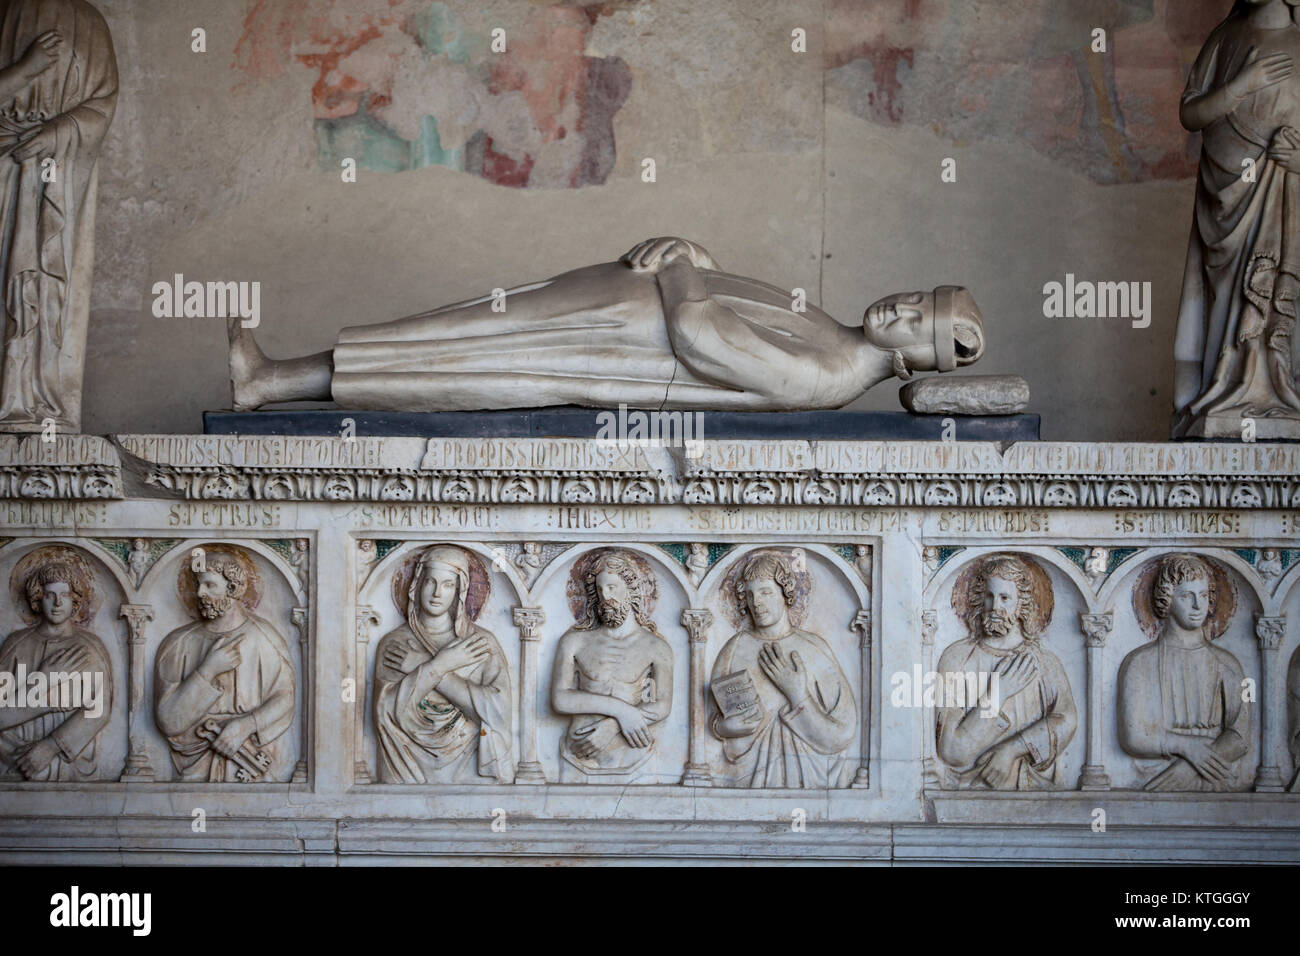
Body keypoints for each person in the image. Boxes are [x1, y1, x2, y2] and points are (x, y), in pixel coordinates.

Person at [227, 236, 984, 413]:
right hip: (621, 311)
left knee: (445, 356)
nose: (901, 308)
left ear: (918, 362)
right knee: (443, 332)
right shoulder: (836, 336)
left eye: (917, 322)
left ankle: (271, 382)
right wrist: (694, 260)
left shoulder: (831, 375)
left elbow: (703, 335)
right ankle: (275, 375)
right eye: (915, 297)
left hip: (615, 342)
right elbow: (728, 306)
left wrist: (683, 257)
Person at [1173, 0, 1300, 437]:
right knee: (1230, 297)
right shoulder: (1226, 38)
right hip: (1229, 197)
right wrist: (1240, 86)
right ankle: (1228, 382)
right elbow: (1190, 114)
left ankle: (1280, 388)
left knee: (1280, 290)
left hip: (1289, 196)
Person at [0, 0, 118, 432]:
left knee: (43, 286)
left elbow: (102, 104)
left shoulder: (88, 22)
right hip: (4, 170)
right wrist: (25, 71)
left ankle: (35, 401)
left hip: (55, 175)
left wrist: (56, 132)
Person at [709, 551, 856, 788]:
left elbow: (842, 733)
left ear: (785, 592)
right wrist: (724, 727)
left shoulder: (814, 648)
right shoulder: (734, 648)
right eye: (749, 594)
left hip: (810, 782)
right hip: (744, 781)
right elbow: (709, 718)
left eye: (766, 592)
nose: (756, 602)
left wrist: (797, 694)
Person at [374, 545, 514, 783]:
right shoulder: (395, 644)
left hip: (467, 762)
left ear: (460, 591)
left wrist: (435, 668)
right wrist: (439, 666)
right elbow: (386, 710)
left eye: (448, 585)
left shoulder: (480, 644)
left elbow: (498, 711)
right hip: (405, 764)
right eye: (430, 582)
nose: (437, 593)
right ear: (417, 585)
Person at [935, 554, 1076, 790]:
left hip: (1034, 791)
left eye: (1004, 598)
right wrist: (997, 695)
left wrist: (1011, 750)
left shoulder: (1044, 663)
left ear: (1022, 603)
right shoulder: (957, 658)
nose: (995, 607)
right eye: (989, 596)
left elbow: (1067, 720)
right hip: (967, 790)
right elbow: (952, 751)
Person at [154, 549, 296, 782]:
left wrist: (246, 726)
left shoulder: (264, 638)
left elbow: (285, 698)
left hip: (249, 759)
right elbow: (169, 720)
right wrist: (208, 670)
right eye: (198, 585)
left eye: (210, 585)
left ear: (233, 588)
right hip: (193, 764)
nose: (200, 593)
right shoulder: (177, 643)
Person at [1117, 554, 1250, 792]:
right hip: (1154, 778)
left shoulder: (1227, 663)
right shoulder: (1139, 663)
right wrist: (1187, 747)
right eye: (1187, 596)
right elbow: (1132, 736)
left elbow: (1241, 733)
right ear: (1166, 599)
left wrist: (1189, 769)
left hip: (1214, 776)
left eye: (1203, 596)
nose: (1198, 606)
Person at [550, 549, 673, 783]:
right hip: (579, 754)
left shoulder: (656, 647)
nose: (605, 596)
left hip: (633, 756)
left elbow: (662, 705)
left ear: (631, 589)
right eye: (599, 589)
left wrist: (612, 726)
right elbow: (560, 699)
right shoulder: (574, 642)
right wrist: (621, 711)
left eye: (612, 588)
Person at [0, 552, 111, 780]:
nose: (58, 602)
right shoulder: (16, 645)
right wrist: (44, 682)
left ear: (75, 600)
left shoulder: (89, 646)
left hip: (68, 761)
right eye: (50, 595)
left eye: (65, 595)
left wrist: (51, 746)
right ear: (38, 599)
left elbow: (99, 709)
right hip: (14, 757)